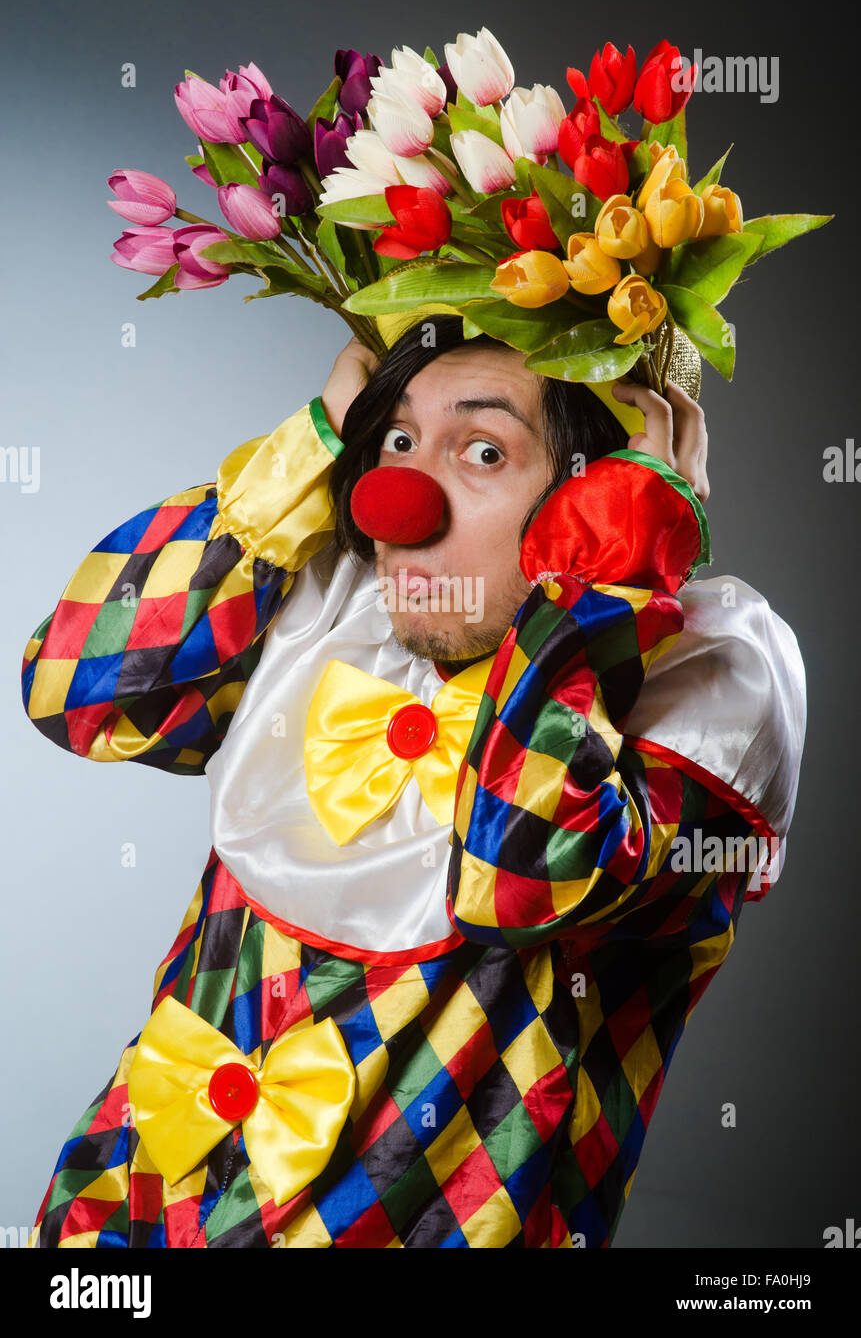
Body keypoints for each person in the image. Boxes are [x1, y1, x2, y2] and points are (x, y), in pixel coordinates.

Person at [21, 314, 805, 1248]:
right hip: (124, 1222)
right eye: (395, 440)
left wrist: (603, 583)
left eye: (480, 450)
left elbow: (523, 872)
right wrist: (314, 442)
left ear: (593, 500)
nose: (397, 499)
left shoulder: (701, 677)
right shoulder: (324, 609)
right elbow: (75, 690)